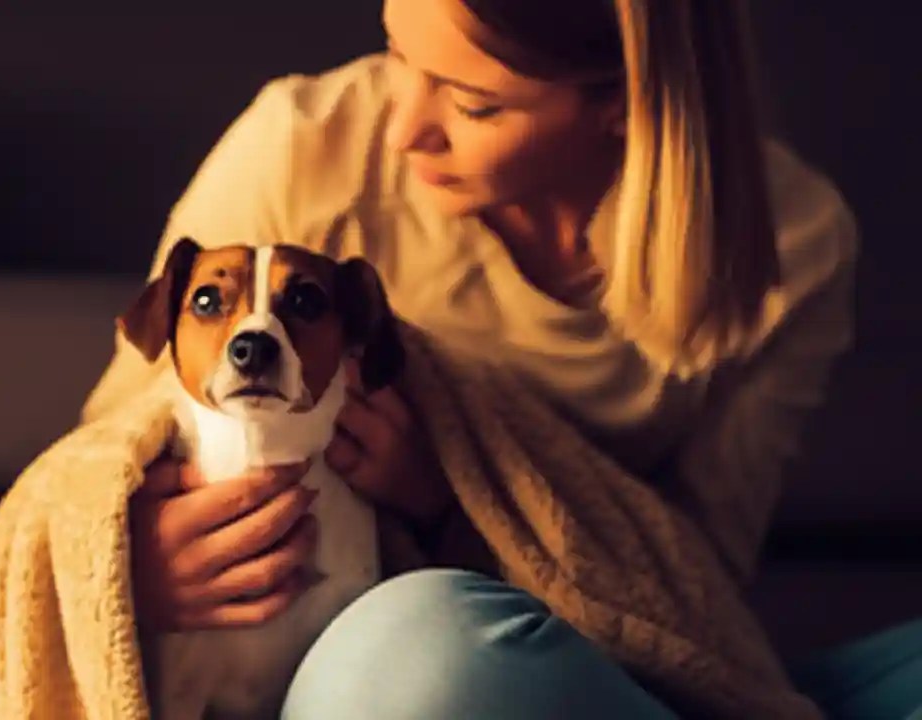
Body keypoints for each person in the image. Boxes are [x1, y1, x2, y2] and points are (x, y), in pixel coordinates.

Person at [81, 0, 922, 717]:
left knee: (439, 650)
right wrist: (133, 566)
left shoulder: (786, 246)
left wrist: (450, 499)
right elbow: (107, 450)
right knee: (419, 656)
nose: (404, 127)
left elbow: (693, 594)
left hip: (574, 671)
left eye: (473, 103)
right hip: (403, 666)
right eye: (396, 51)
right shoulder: (308, 144)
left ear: (622, 100)